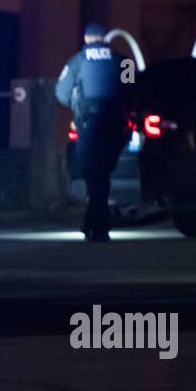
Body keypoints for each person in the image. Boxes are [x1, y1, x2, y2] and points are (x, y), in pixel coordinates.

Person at [56, 22, 127, 242]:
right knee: (102, 175)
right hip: (115, 125)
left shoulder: (78, 61)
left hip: (89, 125)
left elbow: (61, 93)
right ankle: (95, 225)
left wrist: (77, 108)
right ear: (105, 38)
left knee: (92, 174)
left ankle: (98, 227)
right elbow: (134, 89)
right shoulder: (123, 61)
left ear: (87, 39)